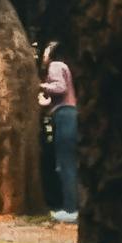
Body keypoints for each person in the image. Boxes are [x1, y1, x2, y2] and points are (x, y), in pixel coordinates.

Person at [41, 53, 79, 222]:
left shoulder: (55, 65)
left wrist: (39, 86)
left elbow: (60, 87)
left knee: (65, 163)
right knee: (68, 163)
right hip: (68, 114)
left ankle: (71, 209)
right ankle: (73, 206)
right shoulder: (65, 67)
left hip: (65, 115)